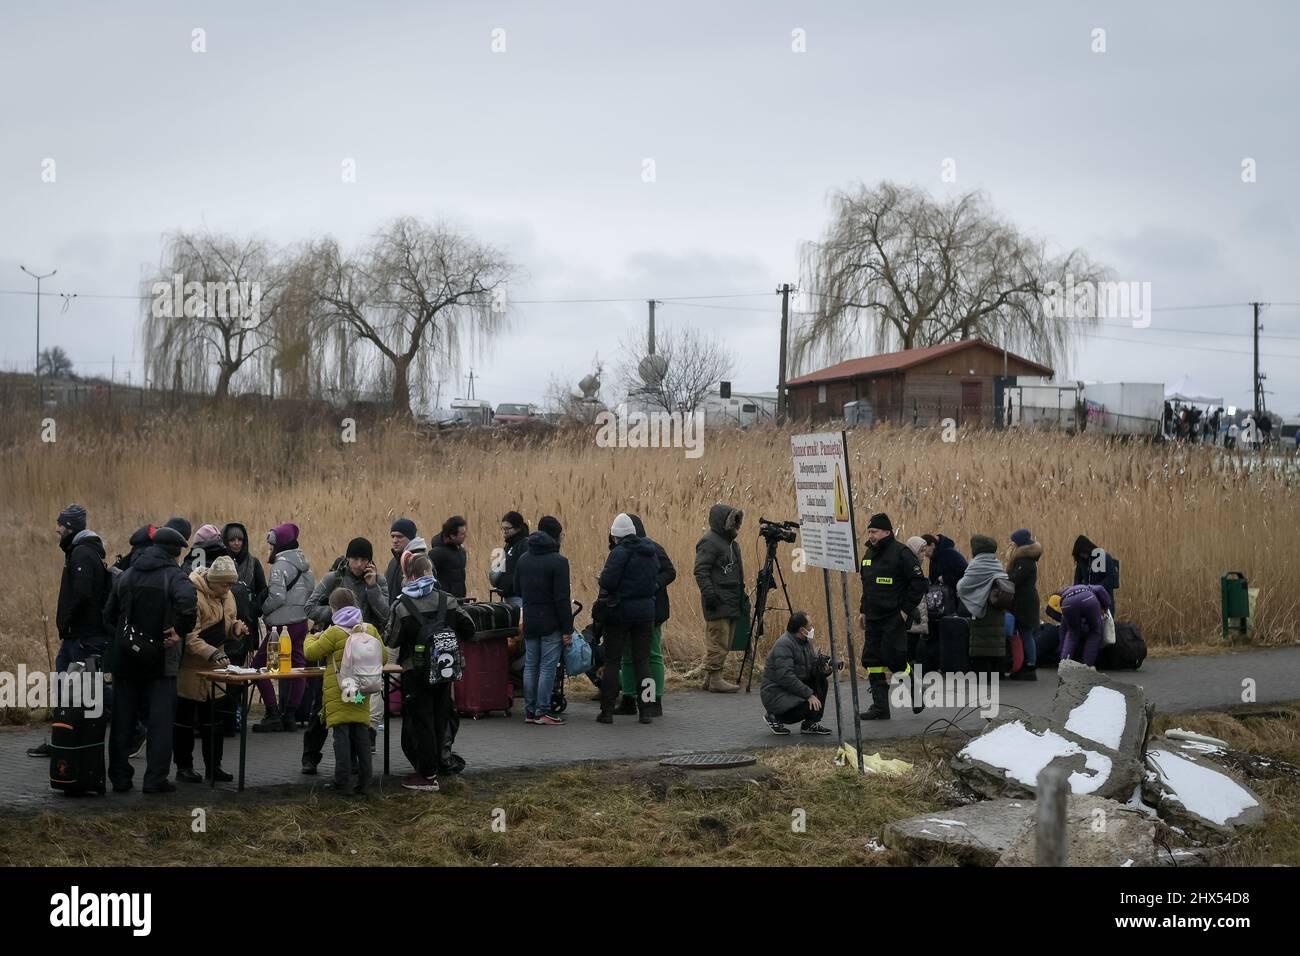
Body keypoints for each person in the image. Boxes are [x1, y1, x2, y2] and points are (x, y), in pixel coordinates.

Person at [103, 525, 198, 794]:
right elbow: (188, 604)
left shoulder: (128, 575)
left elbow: (108, 616)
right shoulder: (176, 577)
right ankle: (155, 779)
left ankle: (120, 778)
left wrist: (125, 639)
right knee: (160, 723)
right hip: (161, 661)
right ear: (175, 552)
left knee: (122, 721)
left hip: (125, 661)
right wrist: (178, 631)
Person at [28, 505, 114, 759]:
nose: (57, 529)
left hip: (84, 637)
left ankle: (135, 727)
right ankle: (62, 738)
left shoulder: (82, 554)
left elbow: (83, 594)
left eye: (61, 525)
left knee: (90, 689)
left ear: (71, 527)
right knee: (68, 688)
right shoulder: (81, 551)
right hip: (76, 636)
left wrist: (66, 621)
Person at [386, 554, 476, 792]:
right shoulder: (448, 600)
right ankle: (440, 763)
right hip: (445, 670)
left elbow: (391, 639)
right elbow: (469, 628)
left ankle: (427, 775)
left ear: (410, 576)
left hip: (415, 671)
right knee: (440, 717)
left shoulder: (402, 605)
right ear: (432, 573)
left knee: (420, 722)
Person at [304, 589, 388, 795]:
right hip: (361, 690)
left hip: (342, 691)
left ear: (333, 609)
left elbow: (310, 653)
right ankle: (365, 782)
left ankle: (342, 783)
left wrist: (310, 636)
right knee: (361, 733)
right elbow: (383, 657)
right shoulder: (369, 629)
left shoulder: (334, 633)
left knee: (341, 735)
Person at [174, 556, 241, 783]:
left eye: (231, 584)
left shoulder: (228, 595)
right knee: (184, 720)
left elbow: (228, 624)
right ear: (213, 580)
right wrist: (212, 653)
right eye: (224, 584)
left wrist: (236, 629)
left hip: (216, 669)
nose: (228, 589)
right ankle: (184, 767)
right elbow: (190, 638)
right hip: (191, 669)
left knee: (214, 722)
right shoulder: (193, 596)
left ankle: (214, 766)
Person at [856, 513, 927, 720]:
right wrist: (862, 610)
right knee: (872, 660)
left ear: (887, 532)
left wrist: (905, 611)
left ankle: (915, 690)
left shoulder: (901, 553)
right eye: (869, 532)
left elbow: (918, 584)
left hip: (893, 617)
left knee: (894, 659)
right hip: (873, 618)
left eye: (874, 531)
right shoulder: (868, 554)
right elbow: (866, 586)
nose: (871, 535)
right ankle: (880, 707)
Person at [251, 522, 315, 732]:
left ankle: (272, 711)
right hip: (301, 622)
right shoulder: (306, 565)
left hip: (280, 627)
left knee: (260, 665)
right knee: (297, 667)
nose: (270, 550)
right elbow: (310, 592)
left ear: (280, 546)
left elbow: (277, 597)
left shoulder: (280, 566)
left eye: (271, 546)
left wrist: (263, 609)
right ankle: (290, 713)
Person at [596, 514, 659, 724]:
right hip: (646, 613)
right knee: (643, 662)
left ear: (615, 536)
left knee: (612, 661)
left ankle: (607, 711)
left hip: (620, 612)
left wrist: (602, 578)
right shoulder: (650, 551)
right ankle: (647, 711)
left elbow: (608, 581)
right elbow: (655, 578)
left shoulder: (618, 553)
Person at [513, 515, 573, 725]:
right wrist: (568, 628)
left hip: (530, 619)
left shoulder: (523, 559)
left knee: (530, 666)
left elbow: (516, 588)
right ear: (556, 537)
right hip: (551, 621)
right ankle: (543, 711)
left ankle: (530, 712)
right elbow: (562, 598)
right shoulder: (559, 562)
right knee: (547, 667)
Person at [614, 514, 675, 717]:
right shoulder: (623, 549)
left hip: (652, 611)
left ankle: (654, 699)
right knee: (629, 656)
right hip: (634, 610)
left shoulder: (653, 548)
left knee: (652, 655)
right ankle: (629, 698)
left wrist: (654, 584)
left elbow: (670, 572)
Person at [693, 503, 745, 693]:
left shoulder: (730, 543)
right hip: (718, 600)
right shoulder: (709, 542)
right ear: (723, 522)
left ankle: (709, 679)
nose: (736, 525)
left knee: (725, 640)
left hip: (730, 600)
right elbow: (700, 571)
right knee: (718, 641)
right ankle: (715, 678)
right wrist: (710, 595)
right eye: (733, 521)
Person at [760, 612, 833, 736]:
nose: (812, 628)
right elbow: (786, 677)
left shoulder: (806, 642)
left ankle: (810, 724)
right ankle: (774, 716)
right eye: (810, 626)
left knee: (821, 681)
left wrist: (824, 670)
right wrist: (809, 695)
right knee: (806, 705)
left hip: (791, 687)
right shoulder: (784, 645)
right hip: (776, 693)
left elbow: (810, 668)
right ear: (802, 630)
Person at [956, 535, 1011, 675]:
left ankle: (983, 675)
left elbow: (962, 586)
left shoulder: (978, 565)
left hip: (982, 609)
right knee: (996, 640)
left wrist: (973, 596)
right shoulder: (997, 564)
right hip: (998, 609)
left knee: (982, 642)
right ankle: (998, 673)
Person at [1005, 528, 1042, 681]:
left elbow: (1014, 580)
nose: (1009, 544)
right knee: (1023, 633)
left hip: (1025, 602)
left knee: (1026, 633)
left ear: (1019, 543)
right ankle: (1025, 663)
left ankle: (1030, 665)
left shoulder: (1024, 560)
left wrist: (1004, 578)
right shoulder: (1026, 558)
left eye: (1012, 541)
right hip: (1023, 601)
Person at [1057, 584, 1114, 667]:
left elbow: (1062, 631)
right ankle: (1086, 666)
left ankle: (1064, 664)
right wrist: (1106, 606)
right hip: (1088, 599)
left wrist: (1061, 651)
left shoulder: (1066, 591)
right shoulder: (1088, 587)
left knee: (1072, 633)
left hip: (1066, 603)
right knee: (1095, 632)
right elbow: (1100, 589)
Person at [1070, 535, 1119, 614]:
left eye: (1083, 553)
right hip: (1087, 602)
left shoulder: (1104, 558)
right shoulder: (1081, 562)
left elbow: (1112, 580)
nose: (1082, 556)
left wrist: (1094, 588)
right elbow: (1077, 581)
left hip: (1104, 602)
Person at [490, 511, 529, 607]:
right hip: (507, 596)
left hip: (518, 598)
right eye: (502, 528)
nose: (504, 531)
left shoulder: (524, 545)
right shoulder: (509, 544)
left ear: (518, 528)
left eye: (507, 528)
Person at [430, 516, 469, 598]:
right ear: (452, 536)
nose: (466, 536)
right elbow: (429, 579)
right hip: (444, 603)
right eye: (462, 534)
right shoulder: (436, 554)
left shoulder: (461, 551)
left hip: (459, 601)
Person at [385, 518, 417, 605]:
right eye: (393, 536)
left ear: (410, 538)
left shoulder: (420, 561)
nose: (395, 540)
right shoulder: (393, 562)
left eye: (399, 536)